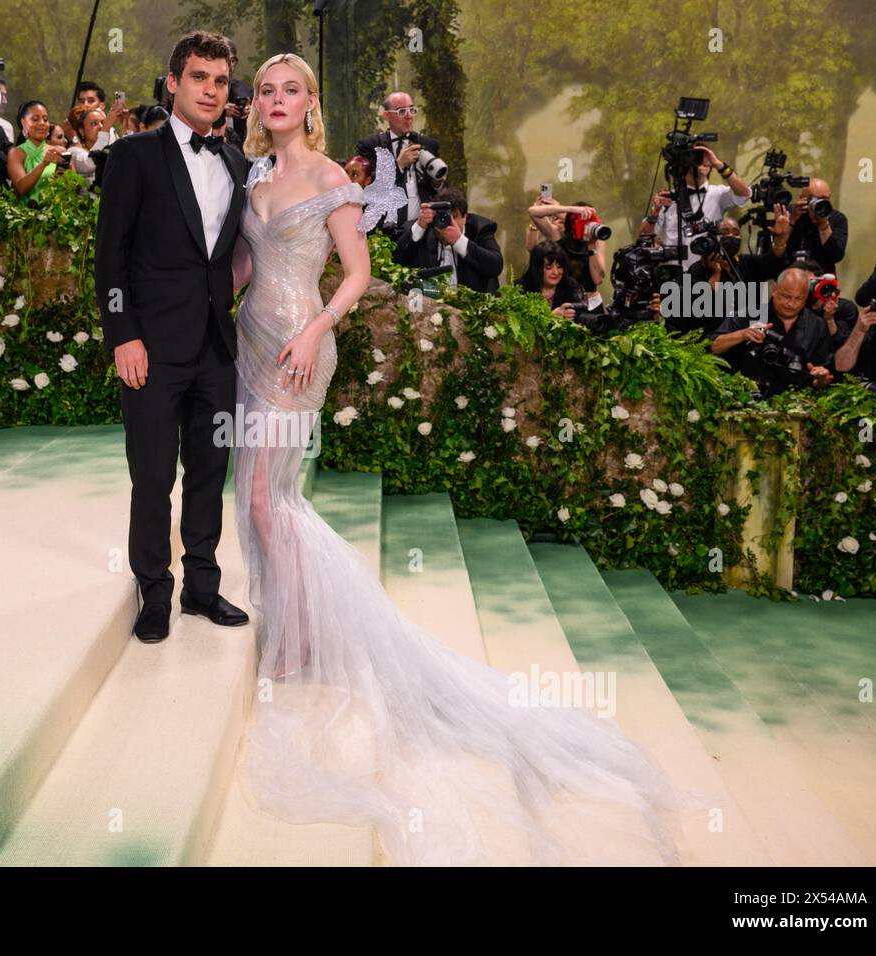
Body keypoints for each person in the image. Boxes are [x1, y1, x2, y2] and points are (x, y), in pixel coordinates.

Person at [222, 51, 693, 867]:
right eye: (264, 89)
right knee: (265, 493)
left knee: (270, 498)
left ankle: (301, 641)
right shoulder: (255, 178)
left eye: (290, 89)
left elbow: (360, 271)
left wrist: (312, 331)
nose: (275, 99)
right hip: (250, 342)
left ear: (311, 105)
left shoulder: (334, 175)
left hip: (300, 346)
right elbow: (239, 266)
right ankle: (294, 632)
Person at [94, 31, 251, 649]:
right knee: (154, 474)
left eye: (219, 81)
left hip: (216, 346)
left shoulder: (236, 160)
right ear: (173, 83)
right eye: (198, 78)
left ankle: (203, 588)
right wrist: (122, 335)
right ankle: (154, 590)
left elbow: (228, 255)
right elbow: (111, 258)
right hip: (151, 349)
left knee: (211, 470)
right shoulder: (134, 156)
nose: (210, 90)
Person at [708, 268, 834, 397]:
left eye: (798, 299)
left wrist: (821, 380)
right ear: (774, 289)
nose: (791, 304)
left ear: (806, 297)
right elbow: (713, 346)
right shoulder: (749, 315)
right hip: (745, 398)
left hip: (795, 404)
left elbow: (821, 377)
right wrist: (742, 334)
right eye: (786, 296)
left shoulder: (817, 325)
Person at [639, 144, 751, 270]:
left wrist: (718, 163)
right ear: (685, 162)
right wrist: (655, 213)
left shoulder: (718, 193)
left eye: (706, 158)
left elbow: (745, 194)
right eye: (698, 157)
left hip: (709, 273)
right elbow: (644, 237)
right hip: (675, 277)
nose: (704, 161)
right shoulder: (668, 198)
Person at [355, 91, 442, 233]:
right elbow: (367, 189)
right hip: (384, 232)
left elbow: (438, 190)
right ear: (387, 115)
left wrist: (438, 182)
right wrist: (398, 166)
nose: (409, 115)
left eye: (412, 110)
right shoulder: (370, 146)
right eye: (402, 111)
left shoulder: (428, 144)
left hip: (423, 232)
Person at [393, 186, 503, 294]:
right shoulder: (424, 228)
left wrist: (459, 241)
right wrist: (419, 227)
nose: (448, 222)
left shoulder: (481, 228)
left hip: (470, 306)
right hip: (430, 304)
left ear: (465, 217)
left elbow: (495, 266)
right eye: (443, 216)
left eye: (454, 216)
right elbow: (396, 261)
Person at [6, 101, 68, 206]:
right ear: (24, 122)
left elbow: (73, 187)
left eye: (45, 119)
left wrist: (67, 170)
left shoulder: (60, 152)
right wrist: (43, 164)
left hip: (57, 214)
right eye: (35, 119)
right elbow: (21, 188)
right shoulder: (16, 153)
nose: (42, 123)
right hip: (27, 216)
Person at [785, 179, 847, 270]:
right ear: (801, 197)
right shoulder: (790, 213)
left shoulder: (837, 218)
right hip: (789, 277)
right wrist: (792, 220)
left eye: (823, 199)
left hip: (822, 277)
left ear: (829, 197)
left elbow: (836, 256)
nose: (817, 203)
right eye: (812, 199)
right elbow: (776, 251)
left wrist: (824, 225)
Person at [516, 241, 585, 319]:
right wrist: (551, 316)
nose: (556, 272)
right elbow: (520, 323)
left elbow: (582, 313)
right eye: (549, 267)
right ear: (537, 268)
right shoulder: (520, 287)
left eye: (559, 267)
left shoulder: (570, 284)